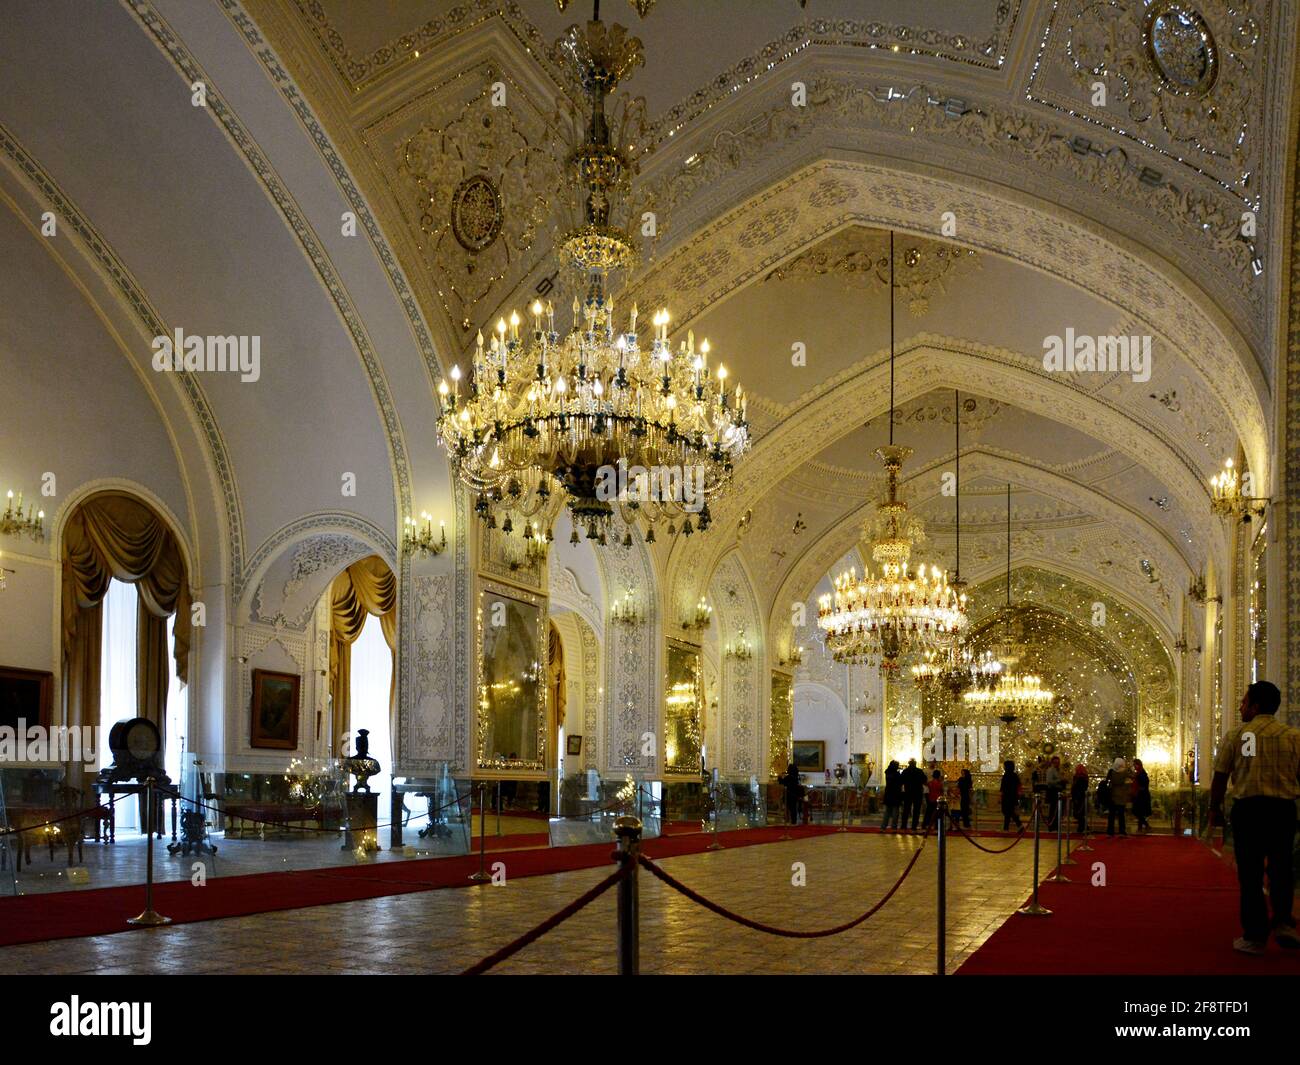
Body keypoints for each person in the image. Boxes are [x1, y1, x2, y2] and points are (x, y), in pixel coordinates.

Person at [1210, 680, 1300, 955]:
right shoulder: (1293, 736)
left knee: (1250, 875)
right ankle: (1283, 922)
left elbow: (1221, 776)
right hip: (1283, 810)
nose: (1240, 707)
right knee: (1282, 869)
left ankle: (1255, 935)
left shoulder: (1239, 736)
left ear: (1256, 706)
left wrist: (1214, 809)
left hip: (1249, 811)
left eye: (1244, 702)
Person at [1105, 757, 1132, 836]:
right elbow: (1132, 777)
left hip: (1112, 795)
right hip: (1121, 796)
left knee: (1111, 815)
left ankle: (1110, 831)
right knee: (1121, 815)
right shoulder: (1125, 772)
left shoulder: (1111, 772)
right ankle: (1122, 831)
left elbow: (1107, 781)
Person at [901, 758, 926, 832]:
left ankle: (903, 826)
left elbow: (901, 781)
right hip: (917, 792)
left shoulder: (905, 771)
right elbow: (924, 780)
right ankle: (914, 827)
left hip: (908, 792)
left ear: (909, 764)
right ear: (915, 764)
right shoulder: (919, 771)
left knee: (906, 809)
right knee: (916, 810)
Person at [1000, 760, 1023, 831]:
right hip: (1013, 796)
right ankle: (1006, 828)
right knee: (1009, 812)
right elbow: (1018, 785)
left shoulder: (1006, 775)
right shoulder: (1015, 775)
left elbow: (1003, 787)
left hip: (1007, 796)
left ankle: (1018, 824)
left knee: (1007, 811)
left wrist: (1001, 796)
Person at [778, 763, 803, 827]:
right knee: (793, 809)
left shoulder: (789, 777)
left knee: (790, 809)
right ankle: (793, 821)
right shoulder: (796, 777)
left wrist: (779, 777)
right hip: (794, 795)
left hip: (789, 795)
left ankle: (789, 821)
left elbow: (782, 782)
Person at [1131, 757, 1152, 831]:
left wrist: (1139, 788)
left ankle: (1144, 825)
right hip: (1139, 794)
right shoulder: (1139, 773)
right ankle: (1141, 827)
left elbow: (1144, 783)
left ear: (1138, 765)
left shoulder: (1141, 773)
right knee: (1139, 811)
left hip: (1141, 795)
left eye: (1135, 765)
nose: (1134, 766)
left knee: (1137, 811)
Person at [881, 759, 902, 831]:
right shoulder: (897, 774)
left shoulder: (887, 773)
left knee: (887, 812)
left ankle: (883, 827)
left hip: (888, 793)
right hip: (896, 794)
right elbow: (900, 783)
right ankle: (894, 827)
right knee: (895, 812)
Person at [1044, 755, 1062, 830]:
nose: (1057, 764)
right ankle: (1051, 826)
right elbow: (1049, 781)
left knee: (1056, 809)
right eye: (1055, 762)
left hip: (1056, 791)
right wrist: (1059, 780)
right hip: (1052, 792)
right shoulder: (1051, 770)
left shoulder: (1056, 770)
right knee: (1053, 810)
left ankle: (1055, 825)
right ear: (1052, 762)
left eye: (1058, 763)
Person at [1070, 763, 1089, 834]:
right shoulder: (1084, 777)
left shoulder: (1080, 778)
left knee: (1078, 813)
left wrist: (1075, 797)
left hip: (1078, 797)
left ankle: (1083, 827)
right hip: (1080, 797)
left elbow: (1077, 788)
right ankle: (1083, 827)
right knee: (1080, 813)